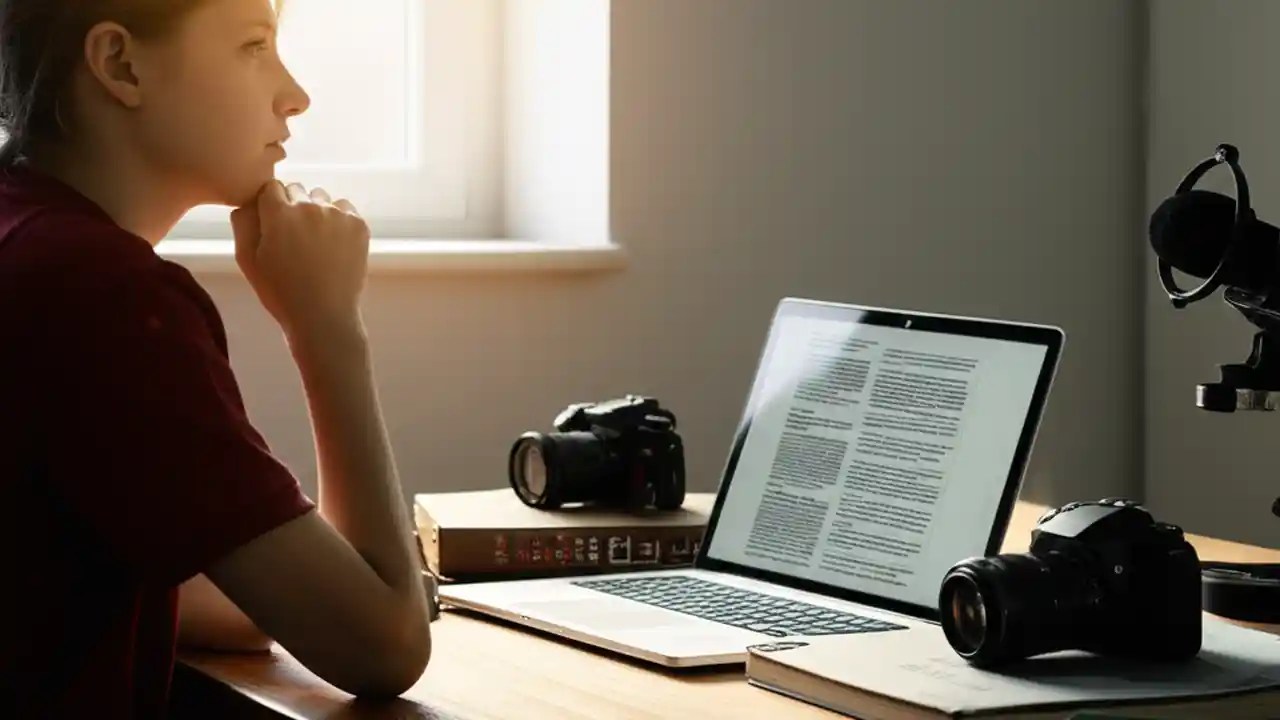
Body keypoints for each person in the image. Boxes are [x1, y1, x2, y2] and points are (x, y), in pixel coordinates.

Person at [0, 0, 433, 716]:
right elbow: (382, 648)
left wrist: (326, 587)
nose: (295, 95)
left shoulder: (28, 242)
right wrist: (326, 327)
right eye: (253, 46)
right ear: (120, 64)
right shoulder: (98, 295)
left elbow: (238, 602)